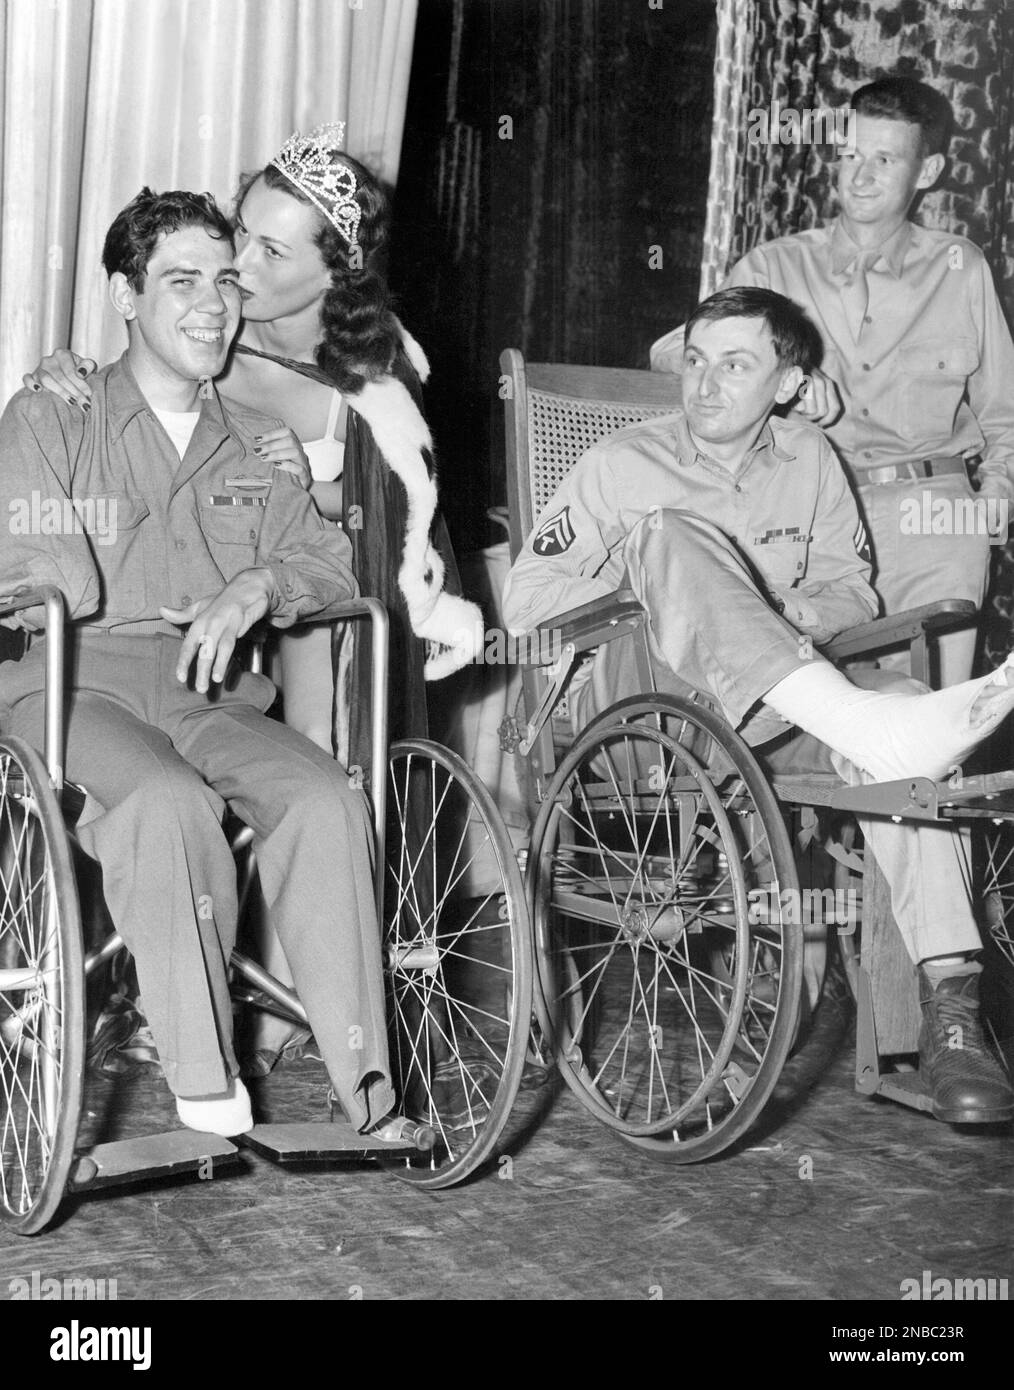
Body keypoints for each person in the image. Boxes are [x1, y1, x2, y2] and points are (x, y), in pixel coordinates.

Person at [27, 125, 482, 1072]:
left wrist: (303, 511)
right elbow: (137, 375)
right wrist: (59, 373)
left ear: (334, 278)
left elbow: (385, 518)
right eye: (243, 232)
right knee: (169, 784)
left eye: (269, 253)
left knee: (321, 775)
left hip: (332, 593)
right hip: (161, 627)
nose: (238, 267)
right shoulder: (206, 333)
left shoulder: (374, 382)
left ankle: (307, 1026)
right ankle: (200, 1023)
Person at [503, 286, 1014, 1125]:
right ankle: (861, 724)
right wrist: (656, 588)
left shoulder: (810, 458)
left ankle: (953, 1019)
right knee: (670, 537)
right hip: (659, 722)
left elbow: (853, 589)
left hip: (783, 724)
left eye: (735, 365)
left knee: (907, 720)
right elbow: (526, 602)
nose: (704, 384)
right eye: (696, 361)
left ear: (786, 381)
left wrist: (787, 621)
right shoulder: (621, 466)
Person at [651, 76, 1014, 688]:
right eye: (850, 155)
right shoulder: (774, 266)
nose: (860, 175)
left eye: (884, 159)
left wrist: (990, 507)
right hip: (808, 523)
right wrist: (786, 381)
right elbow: (675, 357)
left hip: (934, 524)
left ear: (927, 171)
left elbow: (1005, 413)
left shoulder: (962, 268)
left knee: (930, 728)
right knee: (812, 724)